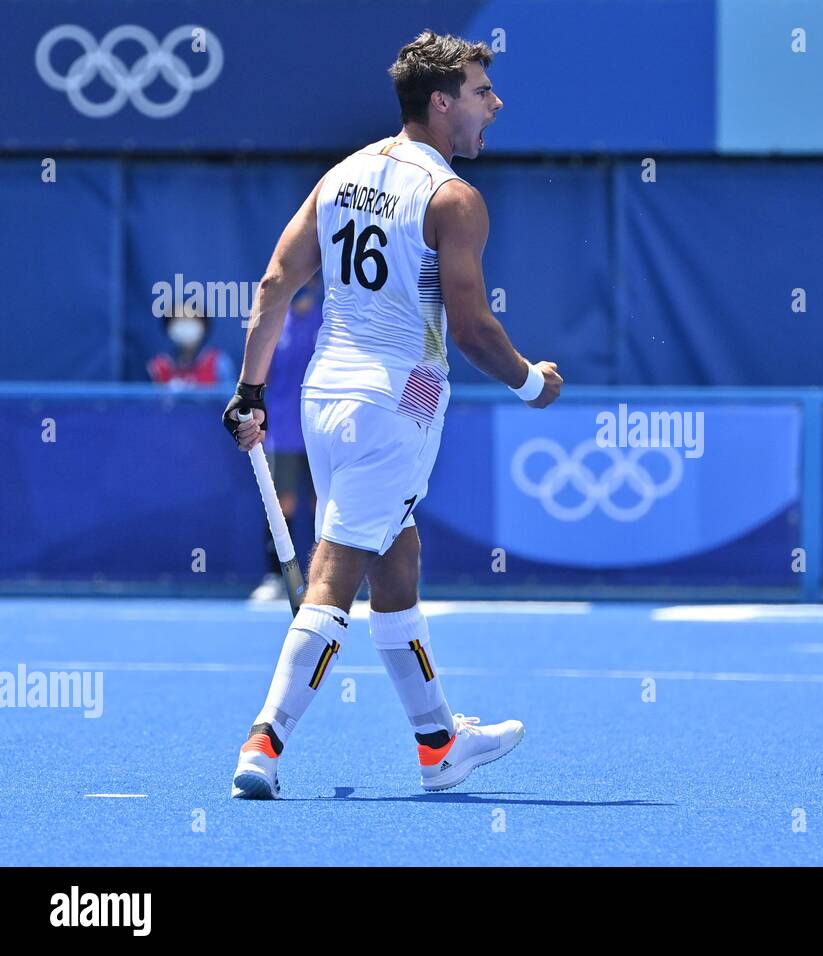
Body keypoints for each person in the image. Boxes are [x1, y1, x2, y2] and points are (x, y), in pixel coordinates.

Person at [221, 31, 563, 799]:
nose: (495, 104)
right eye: (482, 92)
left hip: (324, 397)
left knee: (396, 553)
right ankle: (264, 742)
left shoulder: (341, 175)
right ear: (441, 103)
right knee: (337, 570)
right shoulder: (453, 198)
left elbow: (276, 282)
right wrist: (532, 385)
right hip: (400, 401)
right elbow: (472, 330)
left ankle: (438, 742)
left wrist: (250, 389)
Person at [249, 280, 323, 602]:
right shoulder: (275, 326)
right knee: (283, 505)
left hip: (325, 432)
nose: (303, 288)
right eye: (299, 283)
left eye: (309, 283)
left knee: (326, 505)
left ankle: (332, 580)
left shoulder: (331, 322)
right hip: (284, 432)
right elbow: (259, 378)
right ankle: (277, 578)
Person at [147, 304, 233, 389]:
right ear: (169, 327)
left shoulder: (219, 363)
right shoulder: (157, 366)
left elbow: (229, 399)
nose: (185, 325)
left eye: (192, 319)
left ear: (204, 326)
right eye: (179, 320)